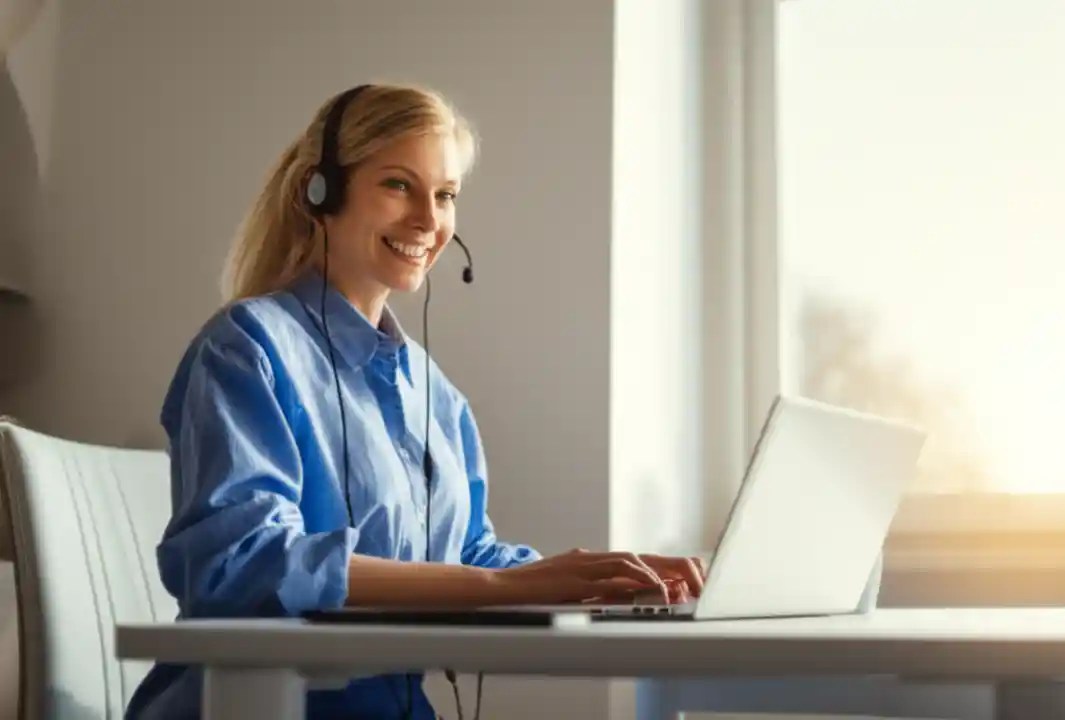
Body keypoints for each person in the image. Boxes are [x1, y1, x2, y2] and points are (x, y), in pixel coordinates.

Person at [124, 82, 705, 719]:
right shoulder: (247, 348)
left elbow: (468, 554)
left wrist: (600, 580)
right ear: (321, 192)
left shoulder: (435, 394)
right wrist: (498, 586)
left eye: (447, 195)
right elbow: (239, 564)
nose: (430, 220)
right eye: (400, 184)